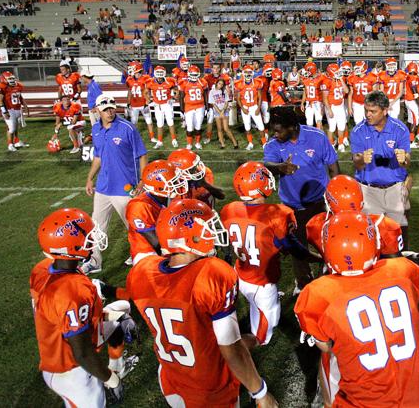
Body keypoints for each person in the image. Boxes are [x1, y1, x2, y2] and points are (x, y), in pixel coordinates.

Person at [126, 199, 279, 408]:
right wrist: (260, 392)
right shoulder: (211, 274)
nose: (213, 234)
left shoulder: (141, 271)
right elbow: (230, 347)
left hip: (171, 378)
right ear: (190, 238)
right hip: (209, 388)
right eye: (207, 229)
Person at [294, 211, 419, 408]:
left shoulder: (317, 294)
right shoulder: (402, 270)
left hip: (363, 402)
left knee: (329, 362)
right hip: (417, 400)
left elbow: (325, 346)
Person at [31, 208, 134, 406]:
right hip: (70, 368)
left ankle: (118, 365)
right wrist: (111, 379)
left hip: (62, 341)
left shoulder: (43, 269)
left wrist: (118, 317)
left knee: (122, 309)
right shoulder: (71, 291)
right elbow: (82, 353)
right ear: (69, 248)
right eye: (87, 236)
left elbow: (67, 316)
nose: (92, 238)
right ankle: (113, 373)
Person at [220, 162, 320, 346]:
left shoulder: (229, 210)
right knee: (261, 337)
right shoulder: (278, 214)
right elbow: (295, 250)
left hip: (239, 273)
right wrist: (320, 258)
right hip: (262, 284)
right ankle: (228, 351)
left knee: (254, 305)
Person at [263, 105, 340, 289]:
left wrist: (336, 196)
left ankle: (330, 273)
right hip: (292, 206)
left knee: (327, 242)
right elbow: (267, 164)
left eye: (278, 131)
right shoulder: (274, 144)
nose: (275, 135)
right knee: (297, 248)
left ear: (292, 127)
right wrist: (279, 167)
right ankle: (303, 283)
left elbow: (333, 166)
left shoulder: (317, 137)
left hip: (319, 202)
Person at [83, 95, 148, 274]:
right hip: (103, 187)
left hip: (125, 187)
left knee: (133, 226)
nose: (110, 112)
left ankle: (140, 254)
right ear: (98, 110)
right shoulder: (96, 129)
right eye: (105, 110)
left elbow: (142, 155)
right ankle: (95, 261)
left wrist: (142, 181)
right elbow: (98, 156)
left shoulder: (128, 128)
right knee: (97, 226)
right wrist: (90, 178)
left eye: (112, 108)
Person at [351, 91, 412, 245]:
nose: (368, 115)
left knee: (399, 236)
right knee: (371, 238)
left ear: (385, 111)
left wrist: (403, 159)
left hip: (395, 189)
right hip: (368, 191)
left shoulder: (400, 129)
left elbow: (407, 162)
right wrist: (361, 160)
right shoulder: (358, 131)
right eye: (366, 110)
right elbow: (356, 164)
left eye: (373, 111)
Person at [125, 160, 189, 265]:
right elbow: (156, 243)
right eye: (173, 181)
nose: (178, 183)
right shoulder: (139, 206)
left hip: (166, 239)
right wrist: (185, 247)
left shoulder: (167, 196)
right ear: (159, 186)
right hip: (147, 252)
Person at [0, 71, 28, 152]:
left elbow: (19, 96)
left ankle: (17, 142)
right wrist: (4, 112)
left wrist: (25, 105)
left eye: (12, 78)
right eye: (9, 78)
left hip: (18, 109)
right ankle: (10, 145)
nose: (12, 80)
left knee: (16, 127)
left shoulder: (17, 85)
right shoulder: (1, 86)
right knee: (11, 128)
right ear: (4, 79)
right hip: (9, 110)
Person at [147, 66, 178, 149]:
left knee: (170, 122)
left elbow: (176, 89)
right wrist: (148, 98)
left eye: (161, 73)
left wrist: (174, 97)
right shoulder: (151, 82)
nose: (160, 75)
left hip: (167, 105)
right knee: (159, 123)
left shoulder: (169, 81)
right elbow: (146, 91)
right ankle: (160, 141)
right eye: (158, 73)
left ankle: (174, 139)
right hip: (157, 106)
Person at [124, 60, 155, 143]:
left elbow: (148, 91)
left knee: (149, 121)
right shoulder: (129, 79)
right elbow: (129, 91)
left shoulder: (145, 78)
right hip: (134, 105)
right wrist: (128, 103)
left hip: (143, 104)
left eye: (132, 68)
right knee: (133, 122)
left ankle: (152, 137)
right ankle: (133, 137)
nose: (130, 70)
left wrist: (147, 102)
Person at [178, 65, 208, 149]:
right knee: (189, 127)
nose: (194, 76)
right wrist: (181, 110)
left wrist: (207, 107)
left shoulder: (202, 82)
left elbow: (205, 95)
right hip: (189, 107)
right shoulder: (184, 83)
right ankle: (189, 144)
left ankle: (197, 142)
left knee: (198, 126)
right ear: (189, 74)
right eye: (192, 74)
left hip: (200, 107)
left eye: (195, 74)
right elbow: (181, 97)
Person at [208, 78, 238, 149]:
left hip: (225, 111)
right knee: (219, 129)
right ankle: (222, 144)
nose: (220, 85)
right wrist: (219, 112)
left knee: (226, 128)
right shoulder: (212, 92)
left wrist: (223, 111)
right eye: (219, 83)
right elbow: (213, 104)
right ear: (216, 83)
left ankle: (235, 142)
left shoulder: (224, 91)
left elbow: (226, 102)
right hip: (217, 112)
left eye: (222, 84)